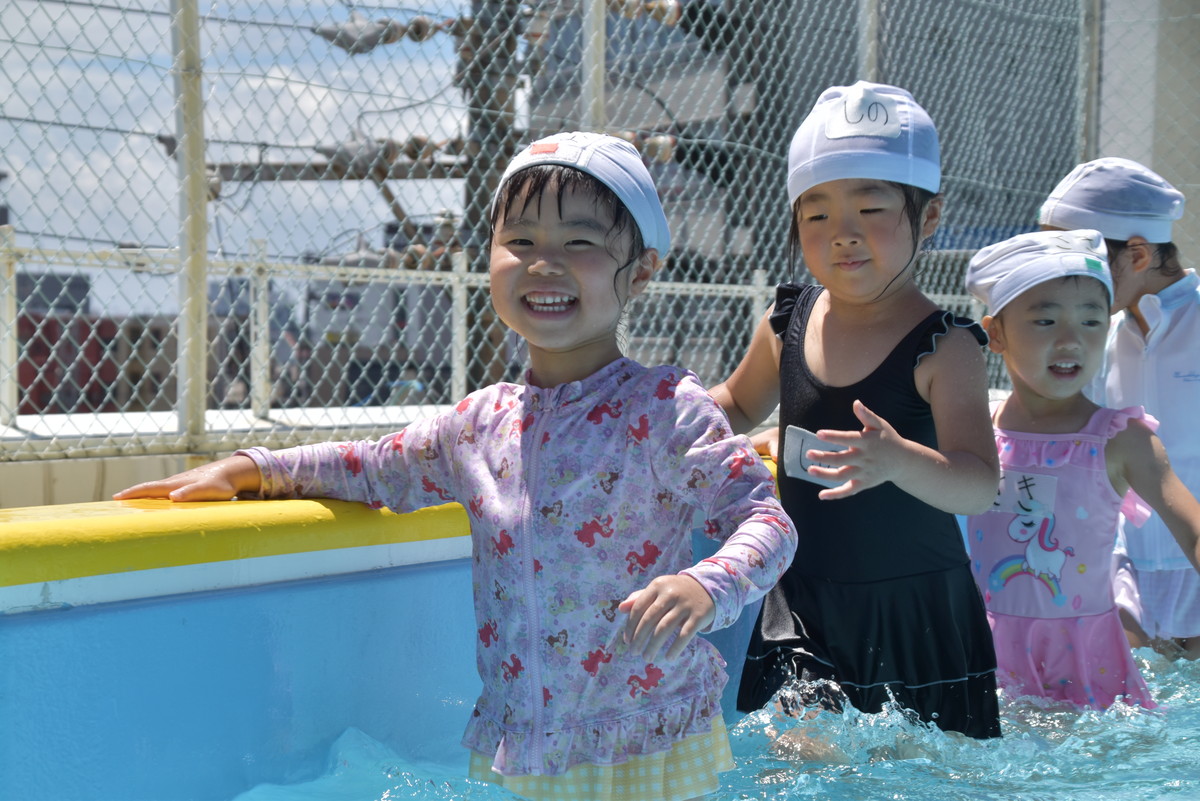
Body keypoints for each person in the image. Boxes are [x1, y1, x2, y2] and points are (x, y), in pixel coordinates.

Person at [113, 132, 797, 801]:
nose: (544, 263)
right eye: (520, 242)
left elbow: (767, 521)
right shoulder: (478, 423)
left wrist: (707, 585)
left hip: (643, 738)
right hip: (518, 743)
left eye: (579, 243)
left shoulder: (664, 409)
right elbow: (374, 467)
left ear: (642, 268)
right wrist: (252, 467)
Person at [707, 81, 1002, 738]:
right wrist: (658, 426)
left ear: (929, 218)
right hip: (802, 596)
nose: (842, 234)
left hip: (914, 608)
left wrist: (898, 458)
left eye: (871, 209)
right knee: (800, 753)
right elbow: (732, 405)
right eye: (816, 215)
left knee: (916, 771)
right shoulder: (785, 322)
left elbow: (979, 483)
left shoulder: (944, 346)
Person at [963, 228, 1200, 708]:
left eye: (1092, 321)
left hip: (1087, 657)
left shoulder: (1121, 439)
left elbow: (1193, 532)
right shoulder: (974, 433)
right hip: (986, 645)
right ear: (996, 334)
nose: (1072, 340)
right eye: (1046, 321)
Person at [1038, 158, 1200, 658]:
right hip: (1129, 571)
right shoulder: (1103, 336)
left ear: (1137, 254)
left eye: (1078, 257)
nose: (1061, 275)